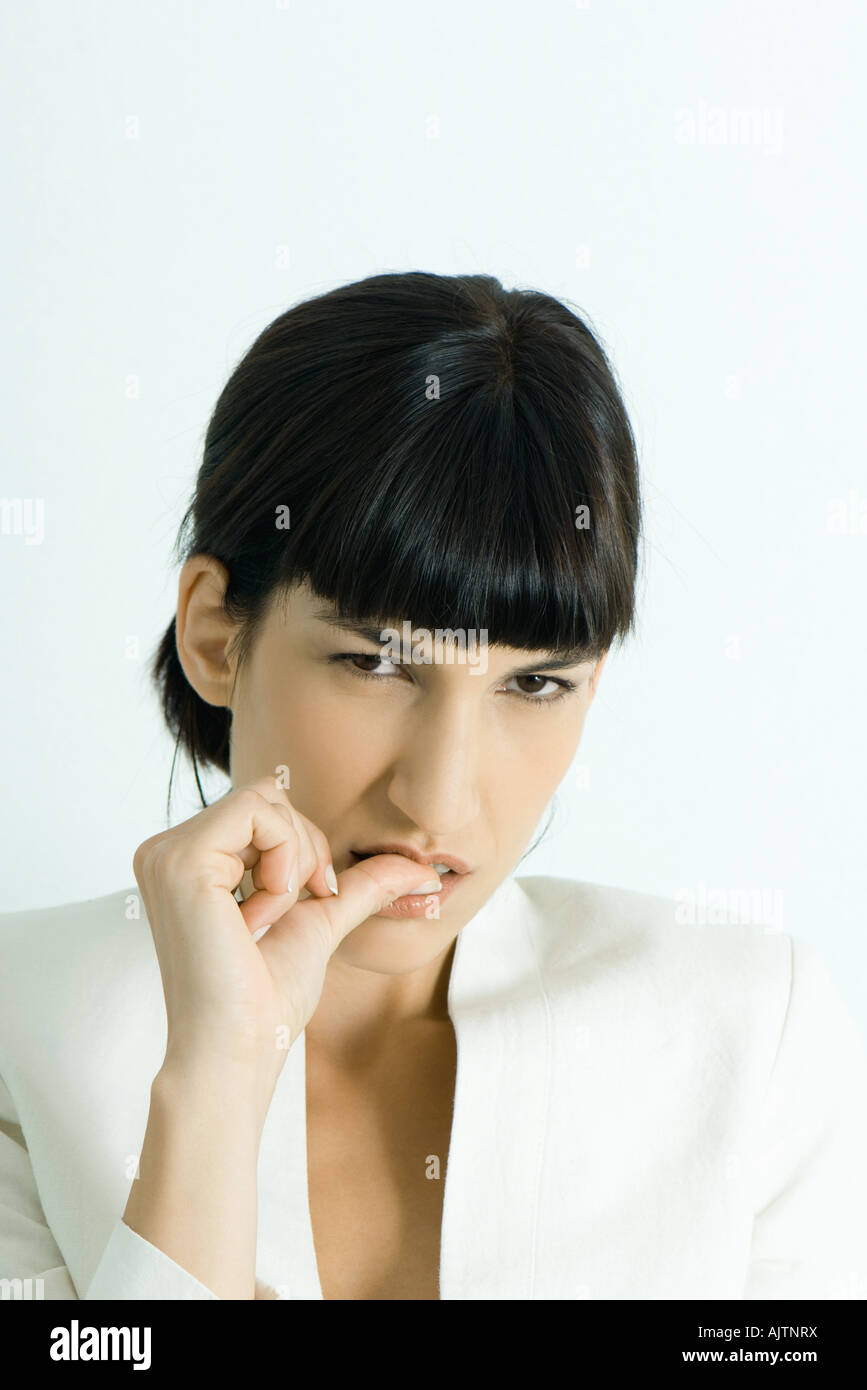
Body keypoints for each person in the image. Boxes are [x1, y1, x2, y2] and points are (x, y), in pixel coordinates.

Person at [1, 271, 865, 1301]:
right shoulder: (20, 1029)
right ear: (216, 635)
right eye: (376, 663)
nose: (440, 801)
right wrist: (217, 1081)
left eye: (534, 684)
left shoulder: (746, 1033)